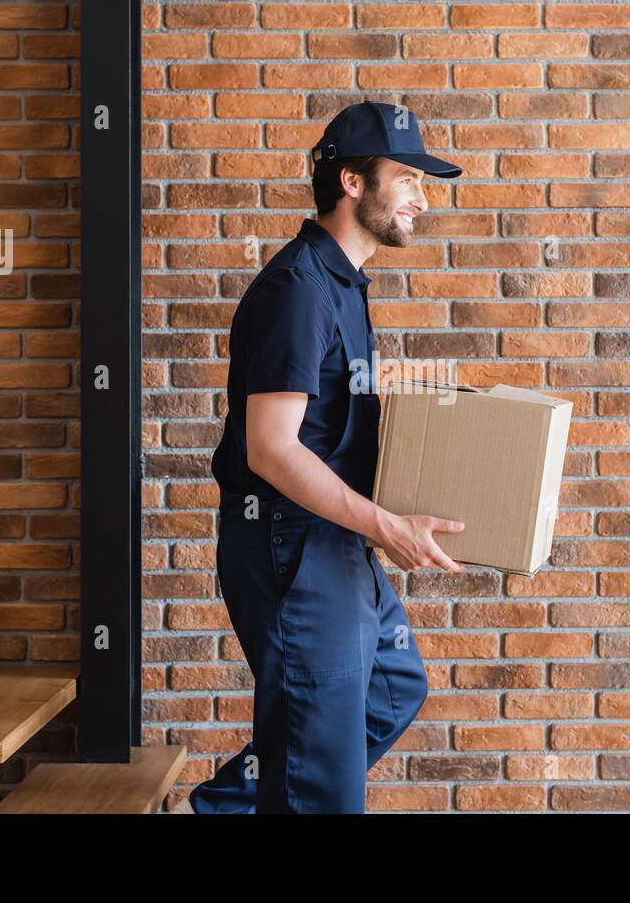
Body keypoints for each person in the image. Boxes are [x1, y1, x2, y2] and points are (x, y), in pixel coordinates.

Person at [189, 101, 467, 813]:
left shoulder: (343, 280)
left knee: (392, 687)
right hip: (294, 549)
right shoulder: (299, 290)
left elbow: (320, 426)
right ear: (352, 182)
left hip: (335, 540)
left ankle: (226, 807)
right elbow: (272, 448)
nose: (422, 198)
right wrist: (385, 524)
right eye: (405, 178)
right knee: (324, 785)